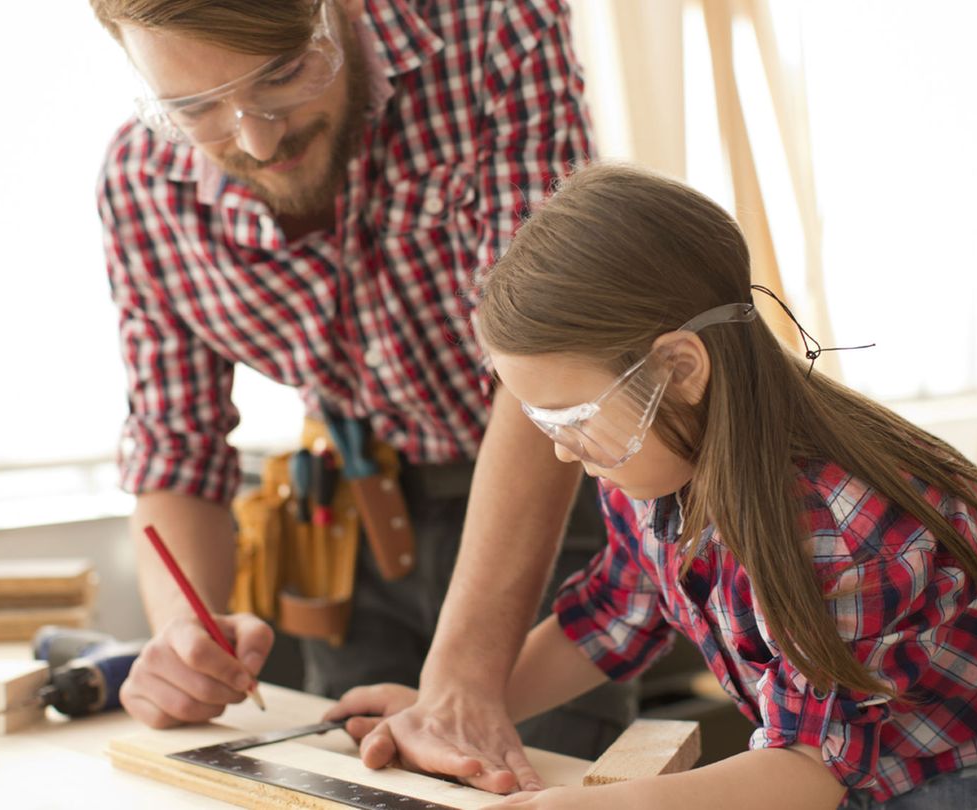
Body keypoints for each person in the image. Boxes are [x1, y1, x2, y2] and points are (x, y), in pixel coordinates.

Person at [327, 162, 977, 809]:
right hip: (841, 738)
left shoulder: (839, 526)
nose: (562, 451)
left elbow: (808, 771)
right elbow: (613, 617)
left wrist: (596, 805)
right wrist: (460, 712)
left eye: (574, 417)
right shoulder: (640, 461)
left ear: (680, 369)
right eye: (540, 421)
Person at [88, 0, 634, 772]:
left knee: (543, 774)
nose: (257, 136)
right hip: (348, 518)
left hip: (544, 476)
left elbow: (549, 359)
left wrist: (465, 677)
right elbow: (174, 442)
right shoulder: (141, 184)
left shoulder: (493, 37)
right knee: (355, 777)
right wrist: (184, 631)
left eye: (281, 76)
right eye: (196, 108)